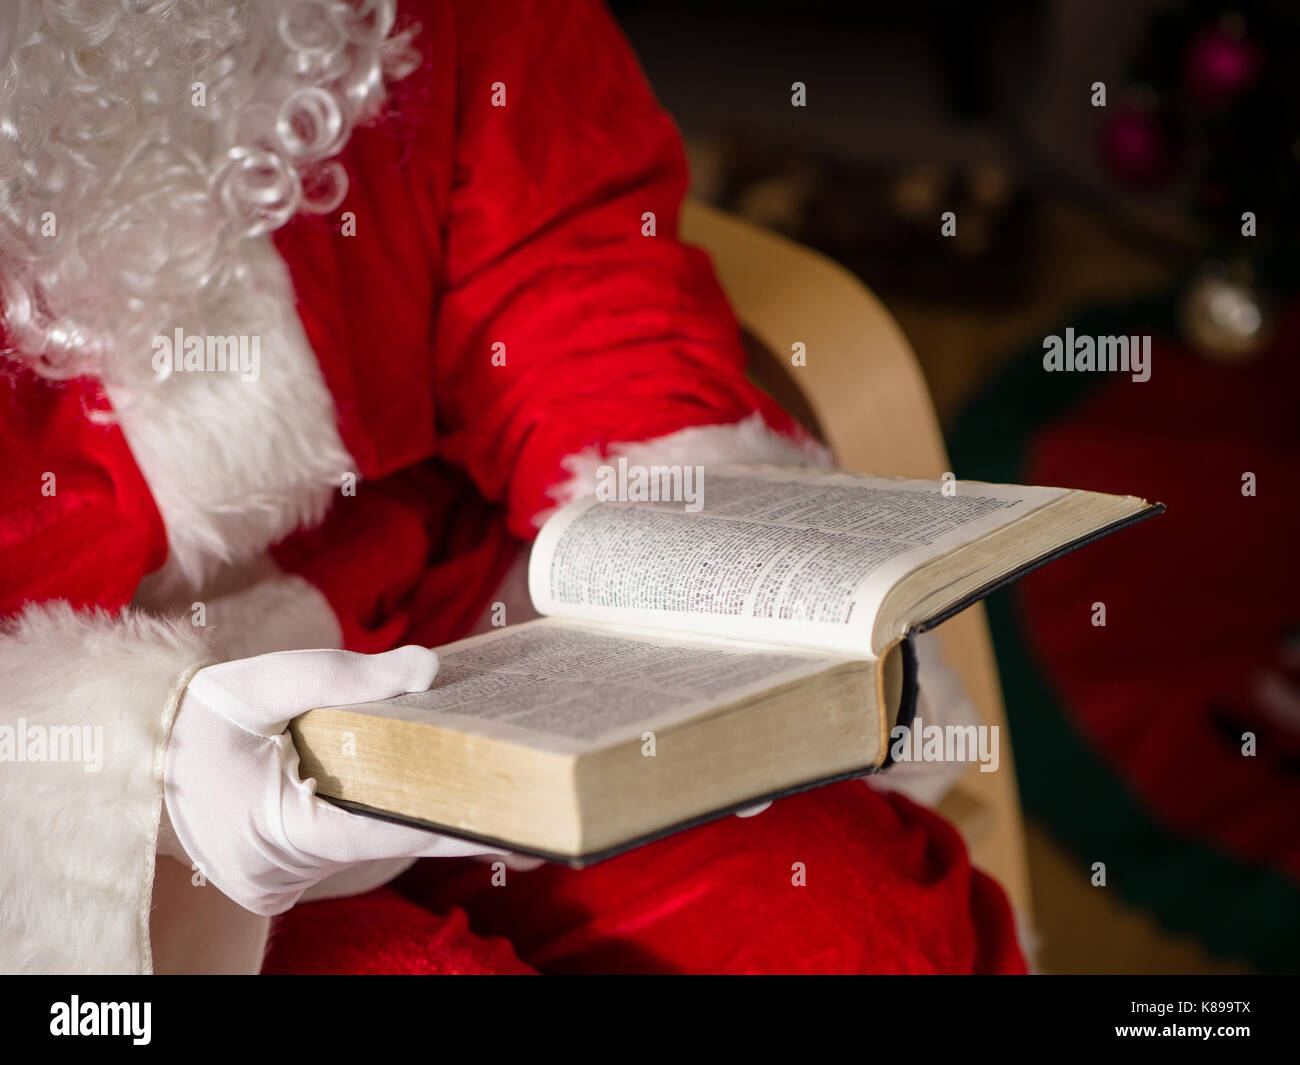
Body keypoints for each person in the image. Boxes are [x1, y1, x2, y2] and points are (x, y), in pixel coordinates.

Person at [0, 0, 1025, 974]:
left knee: (868, 929)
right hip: (92, 844)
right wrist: (130, 784)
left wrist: (686, 503)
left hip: (444, 632)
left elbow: (564, 251)